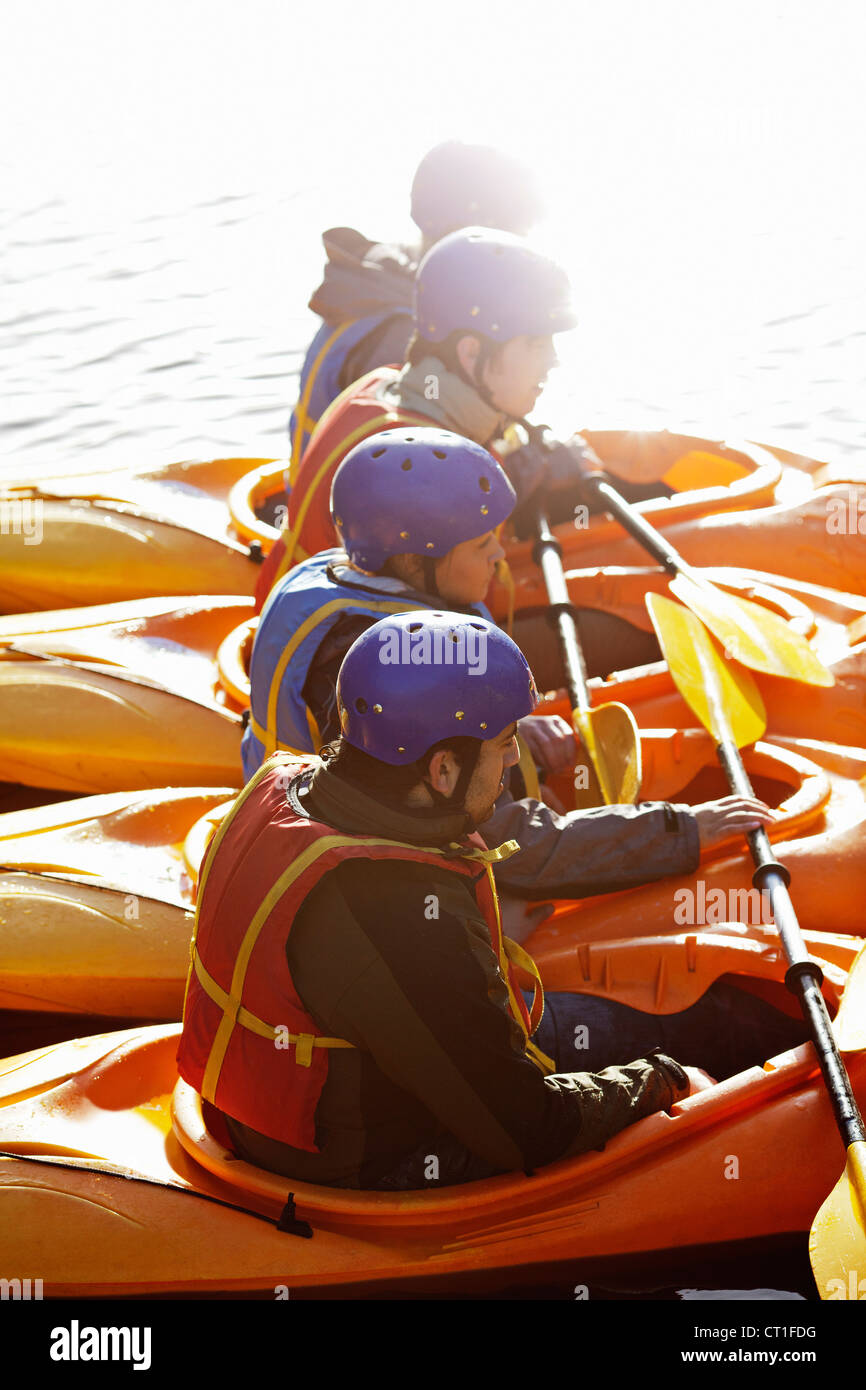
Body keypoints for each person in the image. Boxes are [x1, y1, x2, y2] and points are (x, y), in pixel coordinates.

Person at [178, 612, 807, 1191]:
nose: (513, 762)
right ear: (442, 770)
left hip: (272, 1113)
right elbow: (525, 1129)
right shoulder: (397, 914)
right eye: (505, 744)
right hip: (366, 1156)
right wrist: (663, 1082)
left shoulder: (289, 784)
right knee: (718, 1026)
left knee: (651, 1018)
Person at [243, 428, 772, 906]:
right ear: (411, 561)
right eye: (480, 544)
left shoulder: (339, 572)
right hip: (354, 872)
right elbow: (510, 845)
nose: (499, 554)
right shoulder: (382, 666)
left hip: (386, 810)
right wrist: (680, 831)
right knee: (532, 909)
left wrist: (511, 728)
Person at [257, 225, 669, 624]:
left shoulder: (385, 382)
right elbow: (464, 631)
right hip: (344, 668)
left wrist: (527, 467)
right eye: (536, 343)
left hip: (299, 617)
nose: (553, 360)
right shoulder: (423, 466)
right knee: (619, 626)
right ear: (471, 353)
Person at [287, 142, 544, 478]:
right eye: (512, 242)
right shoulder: (412, 337)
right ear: (472, 234)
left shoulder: (385, 282)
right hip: (362, 516)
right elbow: (433, 477)